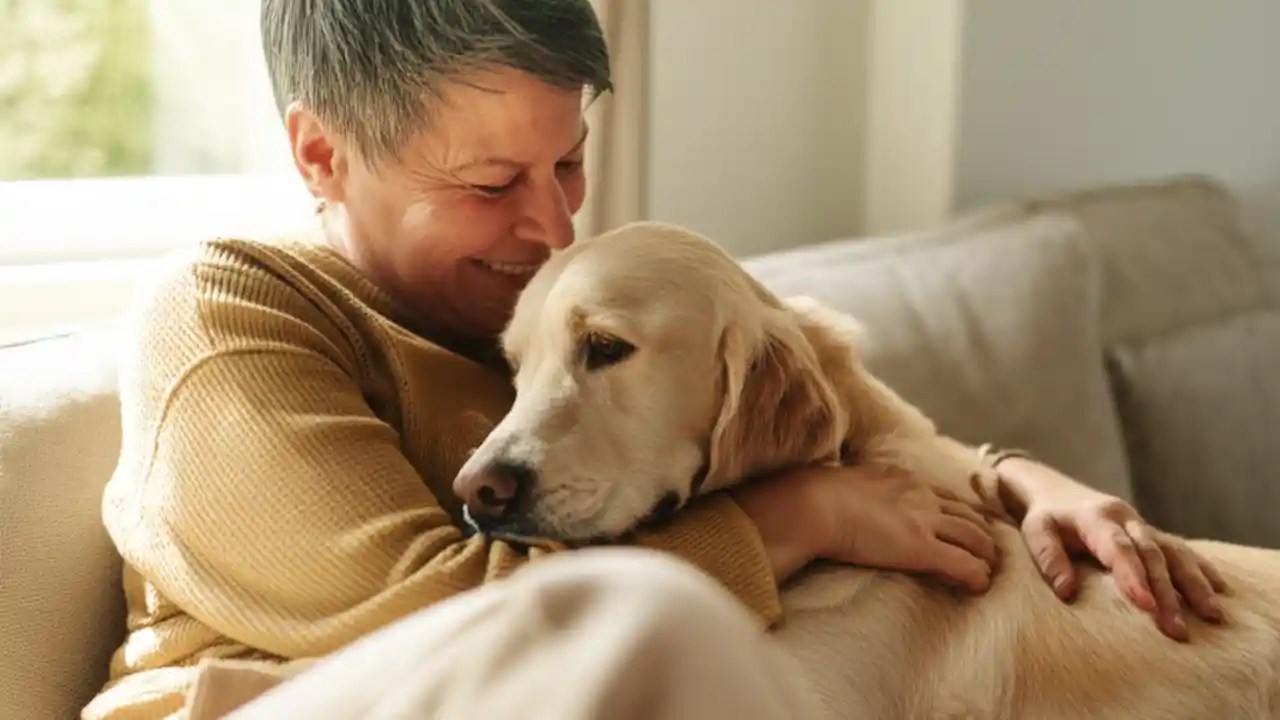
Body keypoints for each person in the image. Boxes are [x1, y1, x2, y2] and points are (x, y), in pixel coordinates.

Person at [85, 1, 1226, 718]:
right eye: (489, 186)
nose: (552, 228)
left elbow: (870, 435)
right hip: (285, 701)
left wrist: (1025, 483)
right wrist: (800, 521)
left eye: (567, 164)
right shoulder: (228, 312)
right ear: (321, 154)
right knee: (653, 627)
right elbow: (433, 614)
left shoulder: (554, 300)